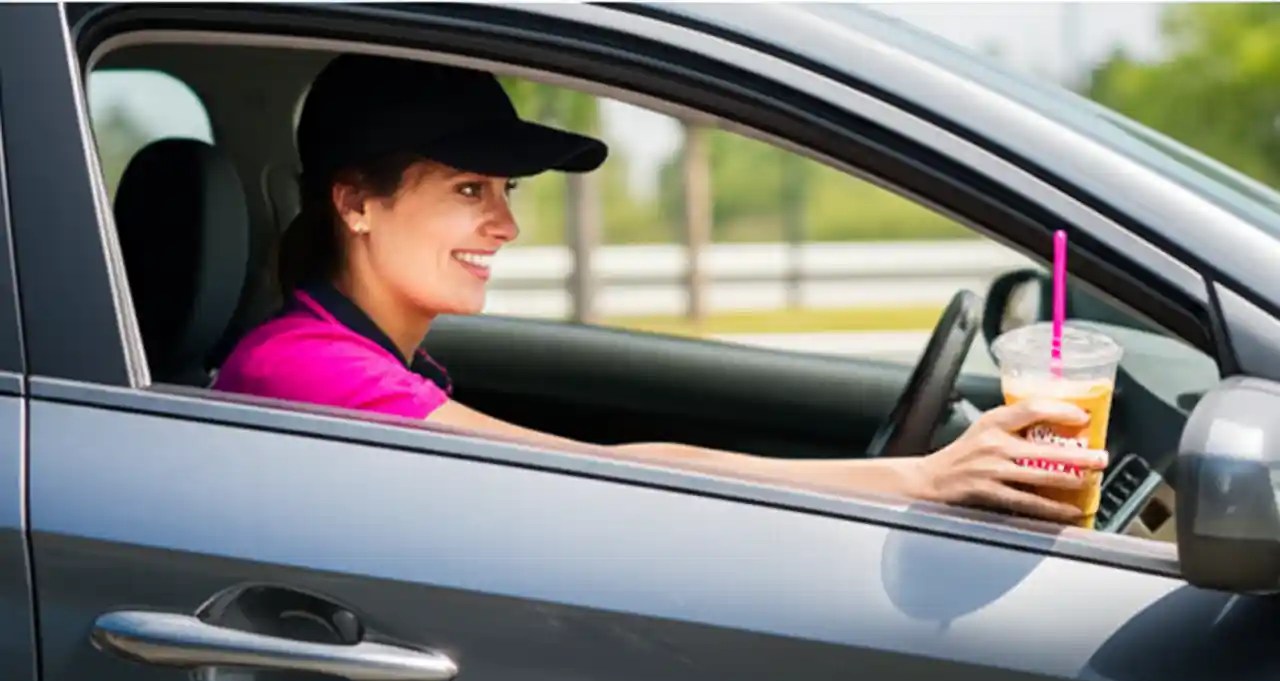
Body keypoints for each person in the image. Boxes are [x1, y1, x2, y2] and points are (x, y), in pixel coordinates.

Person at [214, 54, 1108, 523]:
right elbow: (594, 475)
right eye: (468, 189)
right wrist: (920, 478)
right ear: (356, 203)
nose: (507, 226)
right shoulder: (306, 370)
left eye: (505, 192)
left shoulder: (352, 359)